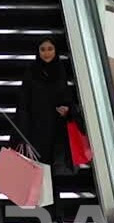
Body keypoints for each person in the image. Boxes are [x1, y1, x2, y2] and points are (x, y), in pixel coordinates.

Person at [14, 37, 76, 174]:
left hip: (56, 130)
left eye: (50, 49)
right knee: (36, 171)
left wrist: (67, 110)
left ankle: (53, 195)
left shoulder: (60, 71)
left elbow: (67, 98)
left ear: (55, 50)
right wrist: (23, 133)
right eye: (42, 49)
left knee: (54, 171)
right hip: (34, 129)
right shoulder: (31, 72)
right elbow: (23, 102)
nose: (46, 53)